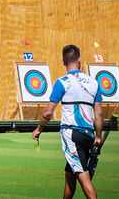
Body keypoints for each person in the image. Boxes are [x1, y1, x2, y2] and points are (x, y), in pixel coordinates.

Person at [31, 44, 103, 199]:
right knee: (70, 174)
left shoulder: (62, 82)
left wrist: (39, 128)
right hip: (88, 134)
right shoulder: (94, 83)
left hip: (71, 135)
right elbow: (99, 114)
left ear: (63, 62)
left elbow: (48, 112)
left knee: (83, 176)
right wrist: (98, 136)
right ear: (79, 60)